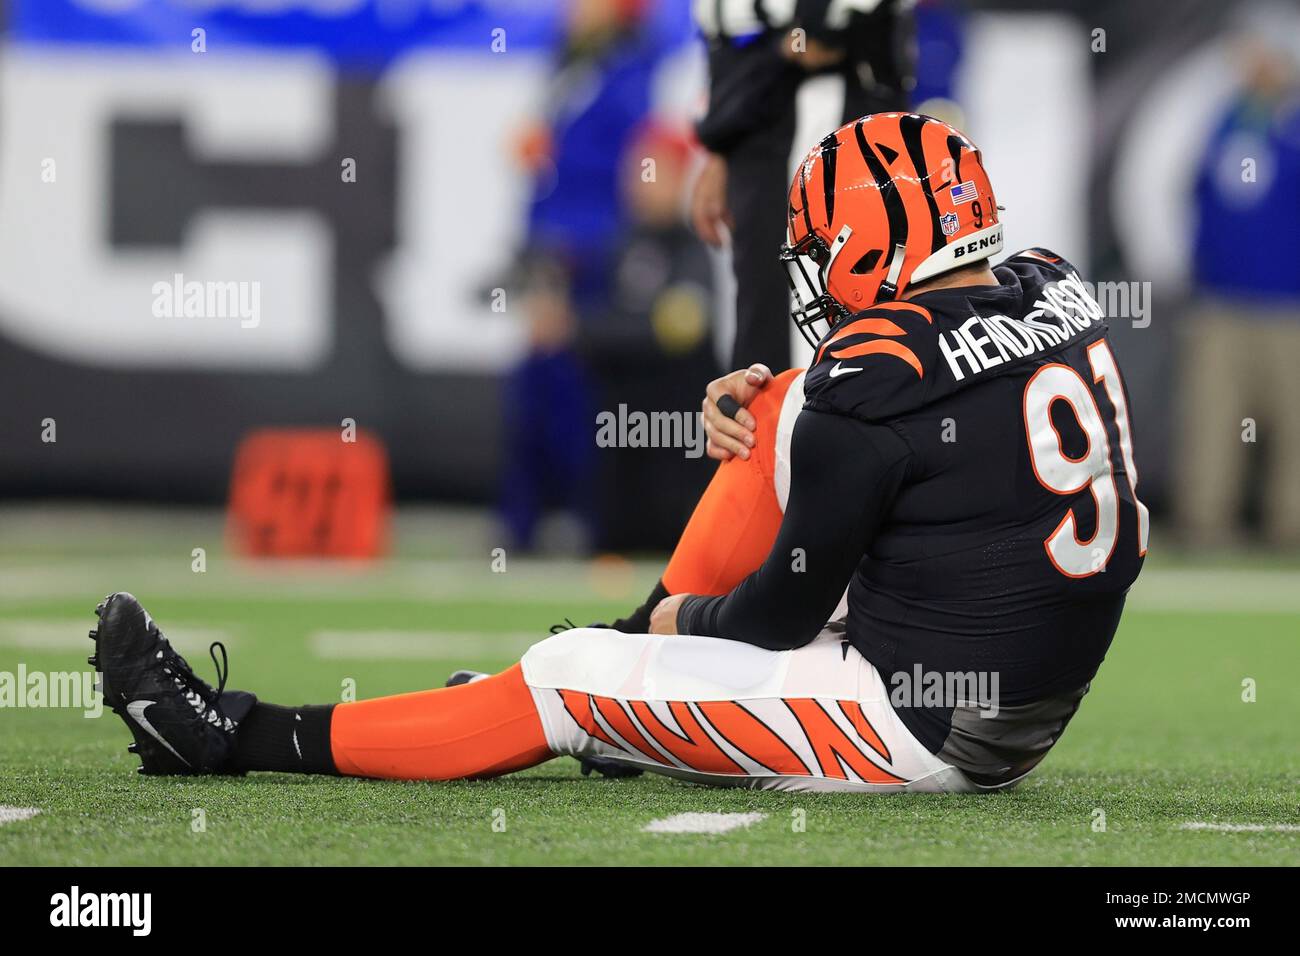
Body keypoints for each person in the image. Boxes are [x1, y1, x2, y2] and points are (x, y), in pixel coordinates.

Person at [89, 114, 1146, 793]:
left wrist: (680, 621)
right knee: (777, 405)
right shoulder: (1053, 283)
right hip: (1012, 673)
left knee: (562, 671)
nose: (817, 276)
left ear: (881, 243)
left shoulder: (866, 379)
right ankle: (634, 683)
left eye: (826, 248)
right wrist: (799, 413)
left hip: (926, 728)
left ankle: (233, 732)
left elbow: (775, 614)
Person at [691, 0, 914, 371]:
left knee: (813, 305)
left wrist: (808, 28)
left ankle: (805, 426)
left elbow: (815, 44)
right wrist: (721, 147)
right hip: (759, 116)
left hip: (815, 105)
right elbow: (730, 37)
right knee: (763, 312)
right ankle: (773, 425)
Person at [1175, 2, 1300, 549]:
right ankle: (1206, 524)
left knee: (1295, 422)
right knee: (1213, 418)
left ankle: (1291, 526)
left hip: (1290, 304)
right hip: (1221, 300)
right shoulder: (1222, 118)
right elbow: (1194, 197)